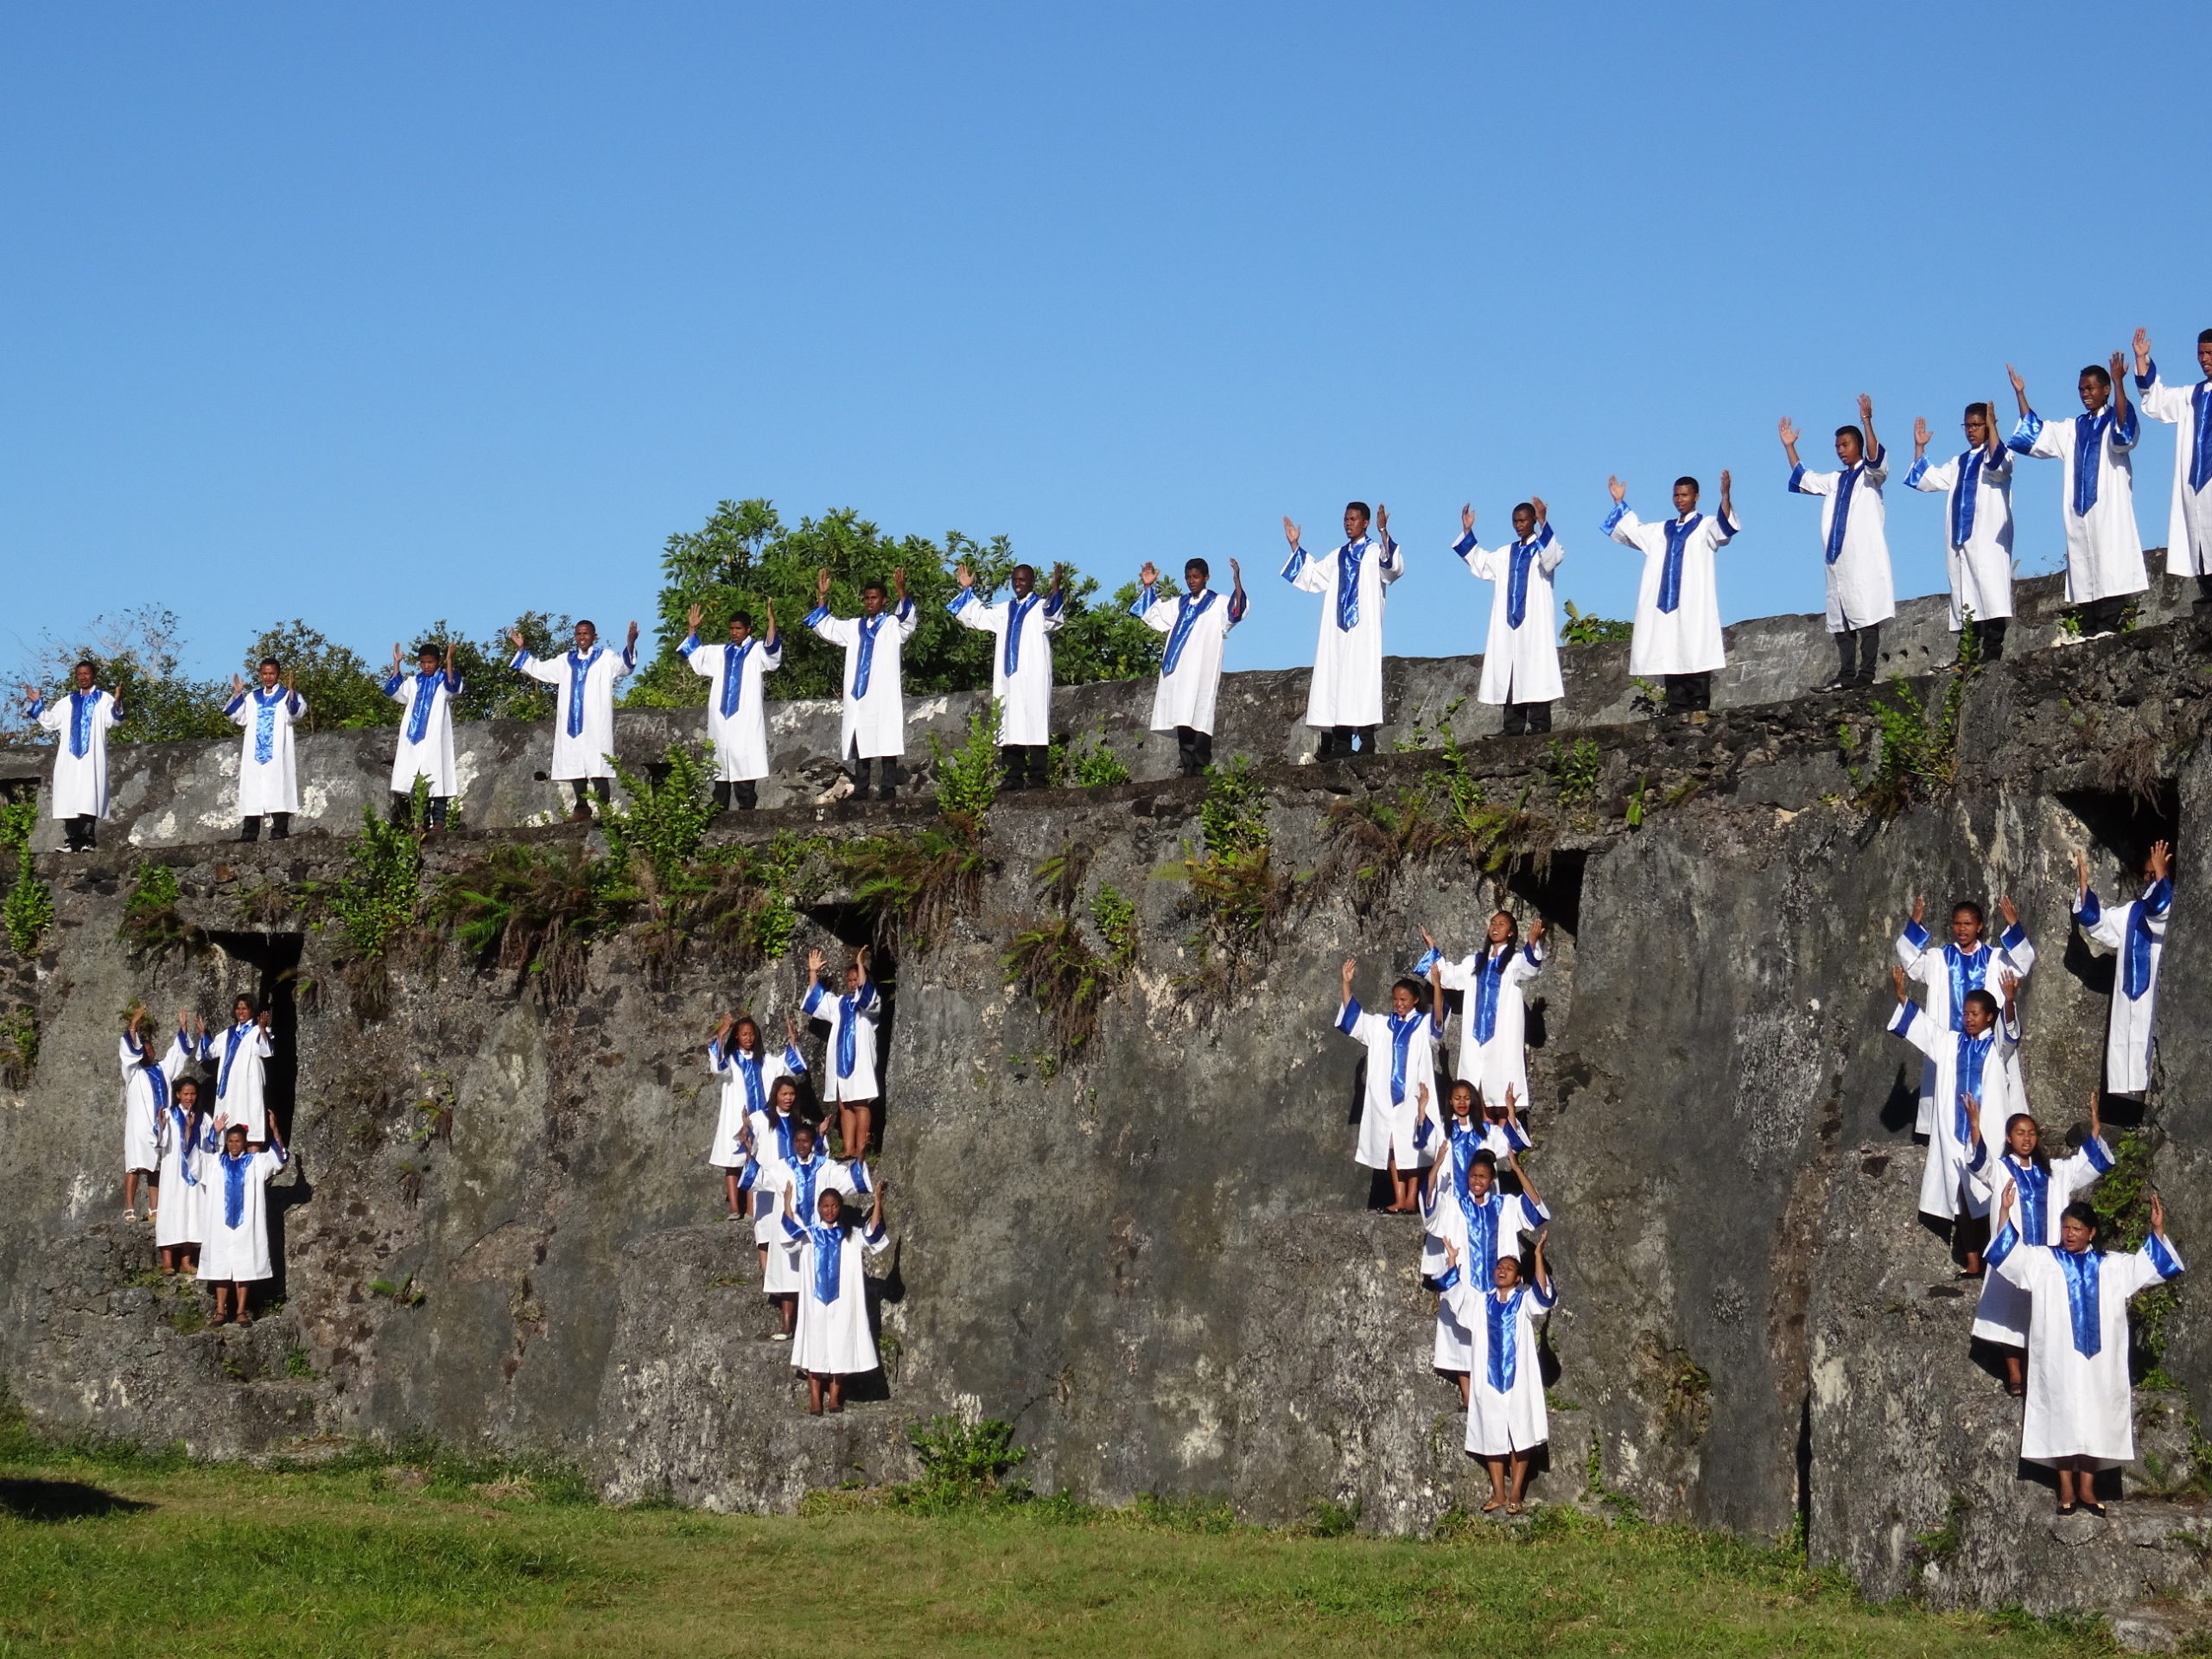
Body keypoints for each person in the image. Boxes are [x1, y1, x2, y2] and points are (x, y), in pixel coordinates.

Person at [1987, 1184, 2183, 1516]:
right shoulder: (2044, 1260)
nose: (2069, 1234)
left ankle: (2088, 1489)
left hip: (2099, 1362)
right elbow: (2010, 1255)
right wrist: (2005, 1211)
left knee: (2096, 1416)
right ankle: (2065, 1486)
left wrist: (2158, 1230)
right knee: (2060, 1415)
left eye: (2077, 1229)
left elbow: (2149, 1266)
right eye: (2065, 1227)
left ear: (2091, 1232)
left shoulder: (2112, 1265)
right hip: (2058, 1356)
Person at [1967, 1091, 2116, 1396]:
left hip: (2048, 1256)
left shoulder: (2054, 1171)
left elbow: (2086, 1163)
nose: (2027, 1139)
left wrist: (2095, 1127)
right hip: (2016, 1253)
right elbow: (1979, 1164)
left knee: (2044, 1314)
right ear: (2009, 1137)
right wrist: (1974, 1126)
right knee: (2010, 1313)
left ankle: (2038, 1374)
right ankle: (2014, 1373)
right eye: (2020, 1133)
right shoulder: (2001, 1169)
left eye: (2032, 1133)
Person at [1887, 965, 2022, 1262]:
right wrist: (1902, 996)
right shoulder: (1951, 1043)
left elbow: (2010, 1033)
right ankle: (1973, 1262)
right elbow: (1926, 1030)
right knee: (1961, 1196)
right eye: (1965, 1013)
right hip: (1953, 1132)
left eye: (1975, 1014)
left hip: (1989, 1130)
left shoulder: (1997, 1048)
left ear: (1989, 1016)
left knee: (1993, 1193)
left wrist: (2010, 1001)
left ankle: (1999, 1259)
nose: (1968, 1018)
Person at [2005, 355, 2145, 638]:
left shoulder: (2114, 418)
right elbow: (2036, 433)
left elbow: (2125, 434)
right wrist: (2021, 394)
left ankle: (2110, 624)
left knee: (2111, 562)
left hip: (2108, 509)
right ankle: (2090, 626)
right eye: (2081, 389)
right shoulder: (2073, 427)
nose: (2085, 394)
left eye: (2090, 388)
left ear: (2105, 390)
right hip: (2079, 512)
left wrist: (2119, 382)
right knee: (2084, 565)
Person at [1419, 1120, 1549, 1389]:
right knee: (1459, 1338)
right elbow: (1429, 1205)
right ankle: (1468, 1395)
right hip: (1464, 1278)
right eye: (1473, 1176)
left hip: (1497, 1285)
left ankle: (1490, 1391)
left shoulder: (1506, 1206)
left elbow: (1536, 1209)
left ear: (1491, 1181)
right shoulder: (1455, 1206)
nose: (1476, 1181)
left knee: (1495, 1339)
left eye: (1482, 1177)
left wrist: (1517, 1169)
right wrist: (1437, 1164)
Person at [1896, 894, 2036, 1140]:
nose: (1962, 929)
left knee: (1992, 1093)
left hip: (1988, 1045)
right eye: (1957, 924)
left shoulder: (1995, 958)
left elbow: (2023, 963)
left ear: (1979, 926)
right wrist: (1915, 924)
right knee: (1948, 1092)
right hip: (1951, 1042)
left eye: (1968, 924)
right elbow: (1912, 965)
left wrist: (2014, 925)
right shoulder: (1939, 958)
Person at [1440, 1228, 1556, 1515]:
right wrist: (1452, 1260)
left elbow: (1543, 1299)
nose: (1502, 1270)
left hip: (1519, 1379)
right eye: (1499, 1267)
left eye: (1509, 1268)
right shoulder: (1481, 1302)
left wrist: (1538, 1257)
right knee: (1491, 1433)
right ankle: (1499, 1493)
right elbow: (1456, 1296)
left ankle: (1516, 1492)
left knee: (1520, 1432)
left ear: (1517, 1278)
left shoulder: (1523, 1302)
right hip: (1488, 1379)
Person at [1603, 472, 1738, 716]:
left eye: (1684, 495)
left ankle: (1698, 699)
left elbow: (1725, 528)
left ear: (1696, 497)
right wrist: (1619, 501)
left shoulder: (1705, 526)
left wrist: (1725, 495)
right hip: (1664, 603)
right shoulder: (1660, 530)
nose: (1679, 499)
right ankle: (1676, 702)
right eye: (1676, 495)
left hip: (1693, 600)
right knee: (1668, 644)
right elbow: (1633, 530)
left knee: (1695, 644)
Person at [1781, 397, 1894, 690]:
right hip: (1836, 560)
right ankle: (1845, 675)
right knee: (1840, 619)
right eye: (1837, 446)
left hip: (1863, 558)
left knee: (1867, 614)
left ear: (1858, 445)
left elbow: (1876, 458)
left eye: (1845, 444)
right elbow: (1804, 478)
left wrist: (1866, 421)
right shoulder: (1834, 480)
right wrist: (1790, 446)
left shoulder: (1870, 477)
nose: (1841, 450)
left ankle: (1866, 675)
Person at [1281, 501, 1402, 758]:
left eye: (1353, 519)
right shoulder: (1337, 556)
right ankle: (1341, 744)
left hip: (1363, 631)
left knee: (1362, 680)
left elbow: (1392, 568)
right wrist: (1294, 545)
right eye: (1346, 519)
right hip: (1336, 631)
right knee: (1336, 682)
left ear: (1365, 523)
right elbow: (1313, 576)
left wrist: (1383, 531)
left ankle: (1367, 743)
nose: (1348, 523)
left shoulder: (1373, 552)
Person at [1905, 404, 2016, 658]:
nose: (1971, 430)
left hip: (1988, 536)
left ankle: (1992, 648)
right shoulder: (1959, 462)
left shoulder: (2000, 455)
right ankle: (1967, 652)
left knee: (1990, 588)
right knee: (1964, 590)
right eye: (1967, 425)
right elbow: (1928, 479)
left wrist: (1994, 428)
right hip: (1959, 537)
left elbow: (1999, 468)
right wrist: (1920, 447)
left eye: (1976, 425)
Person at [1334, 956, 1444, 1213]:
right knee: (1392, 1146)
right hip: (1386, 1098)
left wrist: (1438, 987)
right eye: (1395, 999)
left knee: (1414, 1144)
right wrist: (1346, 983)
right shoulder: (1382, 1025)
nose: (1398, 1004)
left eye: (1403, 999)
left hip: (1414, 1095)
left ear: (1415, 1000)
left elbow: (1438, 1020)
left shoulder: (1421, 1025)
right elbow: (1354, 1018)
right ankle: (1399, 1197)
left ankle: (1412, 1197)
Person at [950, 562, 1066, 791]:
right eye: (1014, 580)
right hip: (1009, 678)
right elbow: (978, 616)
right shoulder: (1004, 610)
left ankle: (1038, 777)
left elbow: (1053, 614)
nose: (1017, 584)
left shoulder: (1039, 607)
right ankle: (1013, 776)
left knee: (1035, 720)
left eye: (1022, 580)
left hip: (1033, 675)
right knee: (1009, 721)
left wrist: (1055, 587)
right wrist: (966, 589)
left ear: (1032, 582)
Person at [1452, 499, 1565, 734]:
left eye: (1523, 520)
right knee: (1510, 670)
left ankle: (1540, 725)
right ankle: (1512, 727)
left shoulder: (1541, 549)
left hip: (1534, 623)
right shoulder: (1506, 553)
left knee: (1536, 669)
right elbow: (1481, 562)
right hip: (1508, 624)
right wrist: (1468, 531)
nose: (1519, 525)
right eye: (1515, 521)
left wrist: (1544, 522)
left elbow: (1553, 557)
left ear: (1532, 520)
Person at [509, 619, 639, 819]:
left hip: (596, 722)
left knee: (598, 765)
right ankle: (581, 808)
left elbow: (624, 667)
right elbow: (540, 669)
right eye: (578, 633)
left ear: (594, 636)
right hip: (572, 722)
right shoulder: (565, 661)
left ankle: (604, 809)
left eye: (586, 633)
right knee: (575, 762)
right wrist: (522, 649)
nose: (582, 637)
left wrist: (630, 643)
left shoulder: (605, 658)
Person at [806, 569, 918, 803]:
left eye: (874, 598)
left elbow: (908, 622)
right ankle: (861, 789)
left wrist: (902, 593)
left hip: (883, 695)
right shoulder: (855, 626)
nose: (869, 602)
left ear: (883, 600)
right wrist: (822, 596)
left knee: (886, 739)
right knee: (860, 741)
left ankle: (888, 788)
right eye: (866, 598)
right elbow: (827, 626)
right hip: (859, 696)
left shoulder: (891, 625)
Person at [2072, 841, 2173, 1099]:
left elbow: (2162, 915)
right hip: (2128, 997)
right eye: (2147, 873)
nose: (2149, 879)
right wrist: (2084, 888)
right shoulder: (2131, 911)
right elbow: (2100, 924)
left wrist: (2162, 876)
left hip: (2155, 999)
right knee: (2126, 1051)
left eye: (2155, 873)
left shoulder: (2176, 911)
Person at [780, 1180, 890, 1414]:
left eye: (834, 1206)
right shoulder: (810, 1235)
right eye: (825, 1206)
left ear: (839, 1207)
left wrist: (878, 1202)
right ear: (819, 1208)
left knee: (840, 1346)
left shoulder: (850, 1235)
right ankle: (815, 1400)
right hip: (815, 1301)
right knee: (815, 1346)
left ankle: (834, 1398)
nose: (829, 1210)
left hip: (842, 1301)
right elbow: (790, 1229)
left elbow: (872, 1235)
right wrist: (787, 1203)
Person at [1131, 556, 1248, 777]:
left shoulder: (1217, 602)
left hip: (1202, 667)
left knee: (1200, 712)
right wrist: (1148, 586)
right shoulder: (1179, 604)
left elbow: (1236, 611)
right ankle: (1187, 765)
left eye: (1195, 577)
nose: (1191, 581)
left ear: (1206, 578)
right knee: (1181, 714)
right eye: (1188, 577)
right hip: (1180, 669)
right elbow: (1154, 613)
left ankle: (1201, 766)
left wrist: (1237, 582)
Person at [1418, 913, 1545, 1115]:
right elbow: (1448, 977)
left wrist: (1532, 942)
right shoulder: (1474, 962)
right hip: (1475, 1035)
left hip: (1502, 1035)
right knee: (1474, 1085)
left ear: (1511, 932)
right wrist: (1432, 949)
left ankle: (1503, 1129)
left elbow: (1530, 970)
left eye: (1502, 924)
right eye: (1493, 923)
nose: (1496, 926)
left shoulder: (1514, 961)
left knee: (1502, 1084)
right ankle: (1480, 1127)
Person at [2130, 327, 2212, 610]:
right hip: (2196, 482)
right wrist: (2141, 359)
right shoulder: (2193, 395)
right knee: (2199, 537)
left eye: (2209, 353)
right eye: (2200, 353)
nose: (2204, 359)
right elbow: (2157, 400)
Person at [766, 1117, 867, 1343]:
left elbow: (849, 1180)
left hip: (817, 1236)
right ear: (793, 1142)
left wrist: (861, 1154)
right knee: (789, 1278)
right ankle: (787, 1325)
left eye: (806, 1141)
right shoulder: (783, 1167)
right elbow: (760, 1177)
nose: (801, 1145)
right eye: (797, 1141)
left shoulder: (825, 1166)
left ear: (813, 1142)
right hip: (792, 1232)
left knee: (816, 1280)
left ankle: (815, 1329)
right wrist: (747, 1151)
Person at [681, 601, 782, 811]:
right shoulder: (721, 652)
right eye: (731, 628)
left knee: (743, 759)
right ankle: (719, 807)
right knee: (720, 760)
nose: (734, 633)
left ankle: (747, 809)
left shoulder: (756, 651)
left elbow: (772, 653)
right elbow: (697, 655)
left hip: (744, 718)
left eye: (738, 629)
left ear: (748, 630)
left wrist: (772, 623)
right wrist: (692, 628)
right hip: (721, 719)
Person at [705, 1012, 806, 1218]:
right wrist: (721, 1035)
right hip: (736, 1117)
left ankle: (752, 1210)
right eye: (744, 1034)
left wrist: (792, 1041)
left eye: (751, 1034)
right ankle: (735, 1208)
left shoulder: (764, 1060)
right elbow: (718, 1067)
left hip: (761, 1120)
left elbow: (787, 1066)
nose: (748, 1038)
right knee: (733, 1162)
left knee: (756, 1160)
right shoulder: (732, 1060)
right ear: (737, 1036)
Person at [21, 660, 122, 853]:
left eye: (86, 673)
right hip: (69, 758)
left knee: (88, 796)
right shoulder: (67, 702)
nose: (83, 677)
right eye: (79, 674)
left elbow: (113, 721)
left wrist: (116, 704)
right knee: (69, 796)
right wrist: (37, 704)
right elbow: (52, 721)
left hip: (91, 758)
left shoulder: (103, 699)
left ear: (93, 675)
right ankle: (72, 841)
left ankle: (88, 841)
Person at [199, 1114, 288, 1325]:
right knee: (220, 1266)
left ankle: (240, 1311)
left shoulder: (256, 1162)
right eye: (230, 1141)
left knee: (244, 1266)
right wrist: (213, 1133)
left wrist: (275, 1130)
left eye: (238, 1141)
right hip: (221, 1224)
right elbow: (196, 1158)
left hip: (246, 1224)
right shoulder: (216, 1163)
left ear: (245, 1142)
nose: (234, 1145)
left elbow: (280, 1160)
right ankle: (220, 1311)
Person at [118, 1006, 198, 1224]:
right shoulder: (132, 1072)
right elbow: (128, 1053)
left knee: (156, 1167)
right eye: (144, 1050)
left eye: (151, 1050)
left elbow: (176, 1054)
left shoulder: (162, 1069)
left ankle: (155, 1208)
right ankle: (129, 1208)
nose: (149, 1053)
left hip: (160, 1126)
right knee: (134, 1166)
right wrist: (132, 1026)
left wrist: (183, 1028)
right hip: (138, 1126)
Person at [804, 946, 881, 1160]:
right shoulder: (840, 1004)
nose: (853, 983)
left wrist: (860, 963)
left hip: (861, 1061)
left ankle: (860, 1149)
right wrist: (813, 972)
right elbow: (818, 999)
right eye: (850, 980)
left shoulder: (871, 1004)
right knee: (844, 1104)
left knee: (860, 1103)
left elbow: (866, 994)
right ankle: (848, 1149)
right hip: (841, 1061)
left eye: (856, 979)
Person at [383, 640, 463, 830]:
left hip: (435, 738)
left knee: (438, 775)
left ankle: (440, 821)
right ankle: (422, 821)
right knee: (418, 778)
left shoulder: (442, 681)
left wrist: (449, 660)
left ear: (437, 662)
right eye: (423, 663)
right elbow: (395, 690)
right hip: (414, 740)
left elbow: (453, 688)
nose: (427, 666)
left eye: (431, 662)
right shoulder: (413, 682)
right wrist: (397, 663)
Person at [225, 659, 306, 841]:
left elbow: (296, 713)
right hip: (254, 754)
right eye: (265, 673)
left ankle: (280, 830)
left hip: (277, 753)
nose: (268, 677)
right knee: (252, 790)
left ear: (278, 674)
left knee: (279, 788)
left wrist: (292, 694)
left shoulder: (286, 696)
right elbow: (237, 716)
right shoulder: (252, 698)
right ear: (260, 675)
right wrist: (237, 694)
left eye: (271, 673)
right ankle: (249, 832)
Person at [153, 1075, 208, 1276]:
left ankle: (186, 1261)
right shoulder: (168, 1115)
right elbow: (158, 1143)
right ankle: (167, 1261)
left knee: (191, 1212)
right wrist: (160, 1127)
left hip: (194, 1173)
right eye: (185, 1094)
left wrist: (215, 1131)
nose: (189, 1097)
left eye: (193, 1094)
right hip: (173, 1171)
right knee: (170, 1210)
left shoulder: (202, 1117)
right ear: (178, 1095)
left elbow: (211, 1143)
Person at [209, 995, 275, 1148]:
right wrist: (203, 1034)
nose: (241, 1012)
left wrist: (263, 1029)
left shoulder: (256, 1031)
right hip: (230, 1087)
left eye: (244, 1008)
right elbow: (211, 1051)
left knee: (250, 1118)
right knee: (228, 1119)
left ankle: (252, 1154)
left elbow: (266, 1051)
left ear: (252, 1011)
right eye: (238, 1008)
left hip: (249, 1085)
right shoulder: (228, 1033)